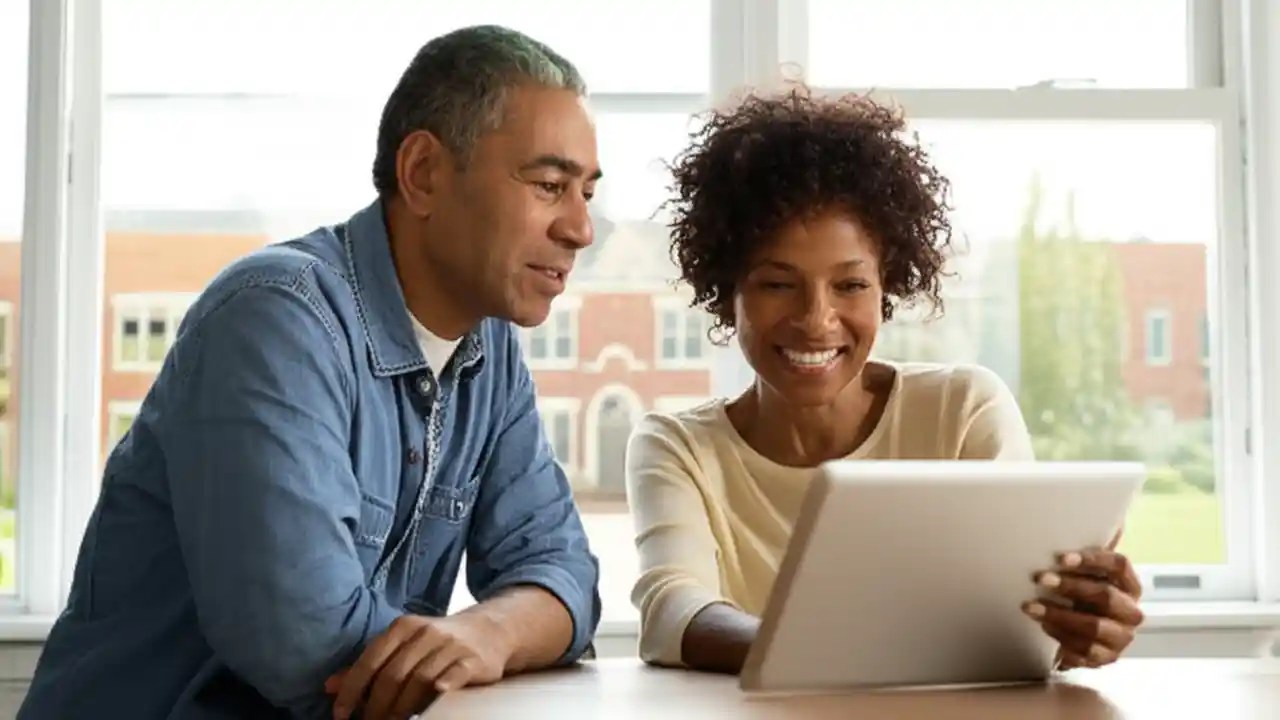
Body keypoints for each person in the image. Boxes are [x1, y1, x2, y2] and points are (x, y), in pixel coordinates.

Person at [20, 25, 603, 720]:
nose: (580, 229)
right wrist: (489, 638)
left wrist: (490, 630)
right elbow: (304, 647)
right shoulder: (275, 320)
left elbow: (566, 577)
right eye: (548, 185)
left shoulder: (491, 353)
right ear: (422, 174)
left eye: (586, 193)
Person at [626, 85, 1144, 676]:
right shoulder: (679, 448)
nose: (816, 320)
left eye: (850, 286)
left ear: (887, 289)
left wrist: (1075, 628)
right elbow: (673, 615)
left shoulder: (964, 411)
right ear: (727, 294)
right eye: (776, 284)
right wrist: (853, 651)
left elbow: (1013, 619)